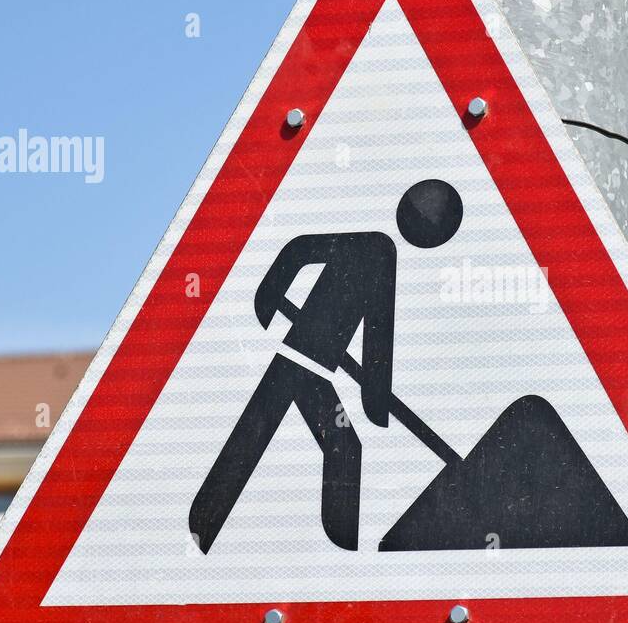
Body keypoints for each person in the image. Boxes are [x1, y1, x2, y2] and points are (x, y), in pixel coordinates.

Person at [190, 179, 463, 553]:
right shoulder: (378, 249)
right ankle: (337, 544)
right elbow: (375, 335)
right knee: (327, 442)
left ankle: (204, 525)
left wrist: (267, 296)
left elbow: (373, 336)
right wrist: (267, 297)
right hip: (300, 363)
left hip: (307, 369)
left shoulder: (375, 248)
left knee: (270, 434)